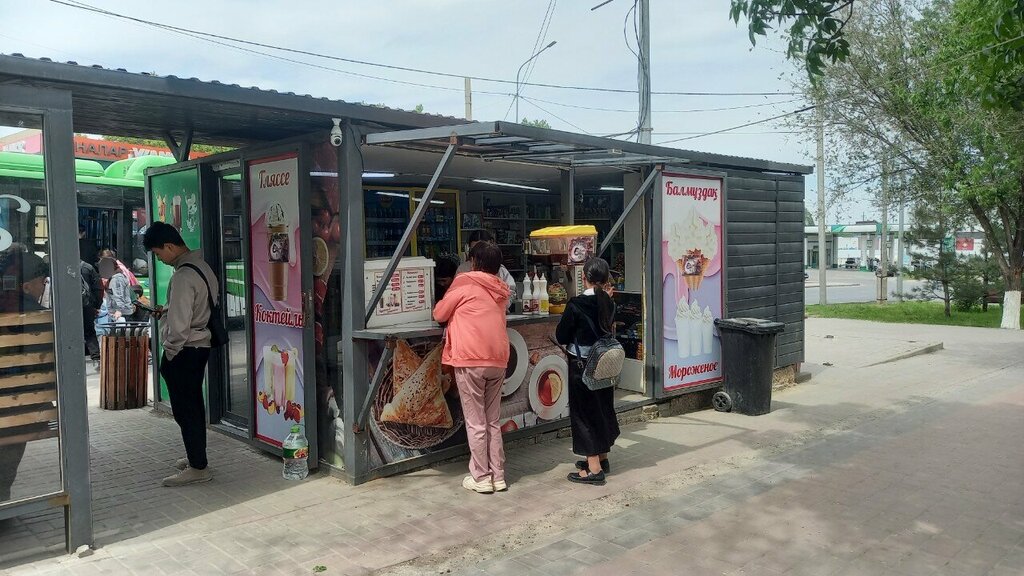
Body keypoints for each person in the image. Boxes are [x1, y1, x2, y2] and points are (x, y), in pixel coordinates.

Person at [142, 222, 219, 487]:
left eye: (158, 253)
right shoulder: (203, 268)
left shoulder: (184, 276)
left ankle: (199, 467)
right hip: (200, 346)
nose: (159, 259)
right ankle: (196, 458)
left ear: (170, 246)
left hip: (185, 349)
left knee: (186, 410)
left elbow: (179, 326)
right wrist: (167, 312)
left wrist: (170, 351)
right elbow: (200, 309)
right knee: (193, 407)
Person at [433, 242, 512, 494]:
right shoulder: (501, 288)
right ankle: (498, 476)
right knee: (492, 420)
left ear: (474, 261)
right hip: (498, 358)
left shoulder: (465, 282)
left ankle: (481, 478)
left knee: (476, 422)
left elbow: (439, 313)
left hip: (470, 357)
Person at [555, 257, 620, 486]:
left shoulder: (576, 304)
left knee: (584, 414)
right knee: (602, 408)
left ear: (584, 278)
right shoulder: (609, 302)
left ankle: (594, 469)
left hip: (581, 365)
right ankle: (603, 458)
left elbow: (562, 335)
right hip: (604, 363)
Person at [0, 251, 56, 507]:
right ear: (26, 285)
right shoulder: (41, 317)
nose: (43, 287)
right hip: (23, 411)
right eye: (42, 282)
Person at [456, 230, 517, 297]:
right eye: (474, 249)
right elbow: (457, 294)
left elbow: (511, 291)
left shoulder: (499, 269)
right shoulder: (463, 269)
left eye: (482, 249)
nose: (478, 253)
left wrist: (501, 303)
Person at [98, 256, 135, 323]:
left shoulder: (116, 278)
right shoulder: (113, 277)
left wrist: (119, 311)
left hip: (121, 315)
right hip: (117, 314)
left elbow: (119, 296)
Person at [81, 259, 102, 360]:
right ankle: (95, 354)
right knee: (89, 330)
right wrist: (97, 305)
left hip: (67, 306)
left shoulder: (60, 267)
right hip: (86, 305)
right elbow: (98, 288)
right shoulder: (87, 267)